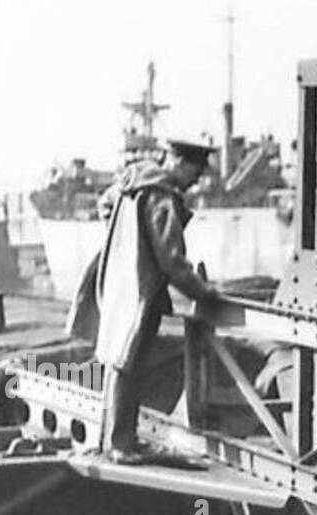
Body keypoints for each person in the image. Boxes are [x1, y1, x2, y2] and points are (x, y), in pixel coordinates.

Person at [91, 138, 220, 463]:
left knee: (118, 361)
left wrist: (126, 243)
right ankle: (121, 444)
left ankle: (115, 439)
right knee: (129, 364)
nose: (195, 180)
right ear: (178, 161)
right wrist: (203, 293)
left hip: (120, 282)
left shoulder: (132, 182)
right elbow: (171, 260)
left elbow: (104, 206)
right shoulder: (161, 195)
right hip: (141, 290)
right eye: (195, 171)